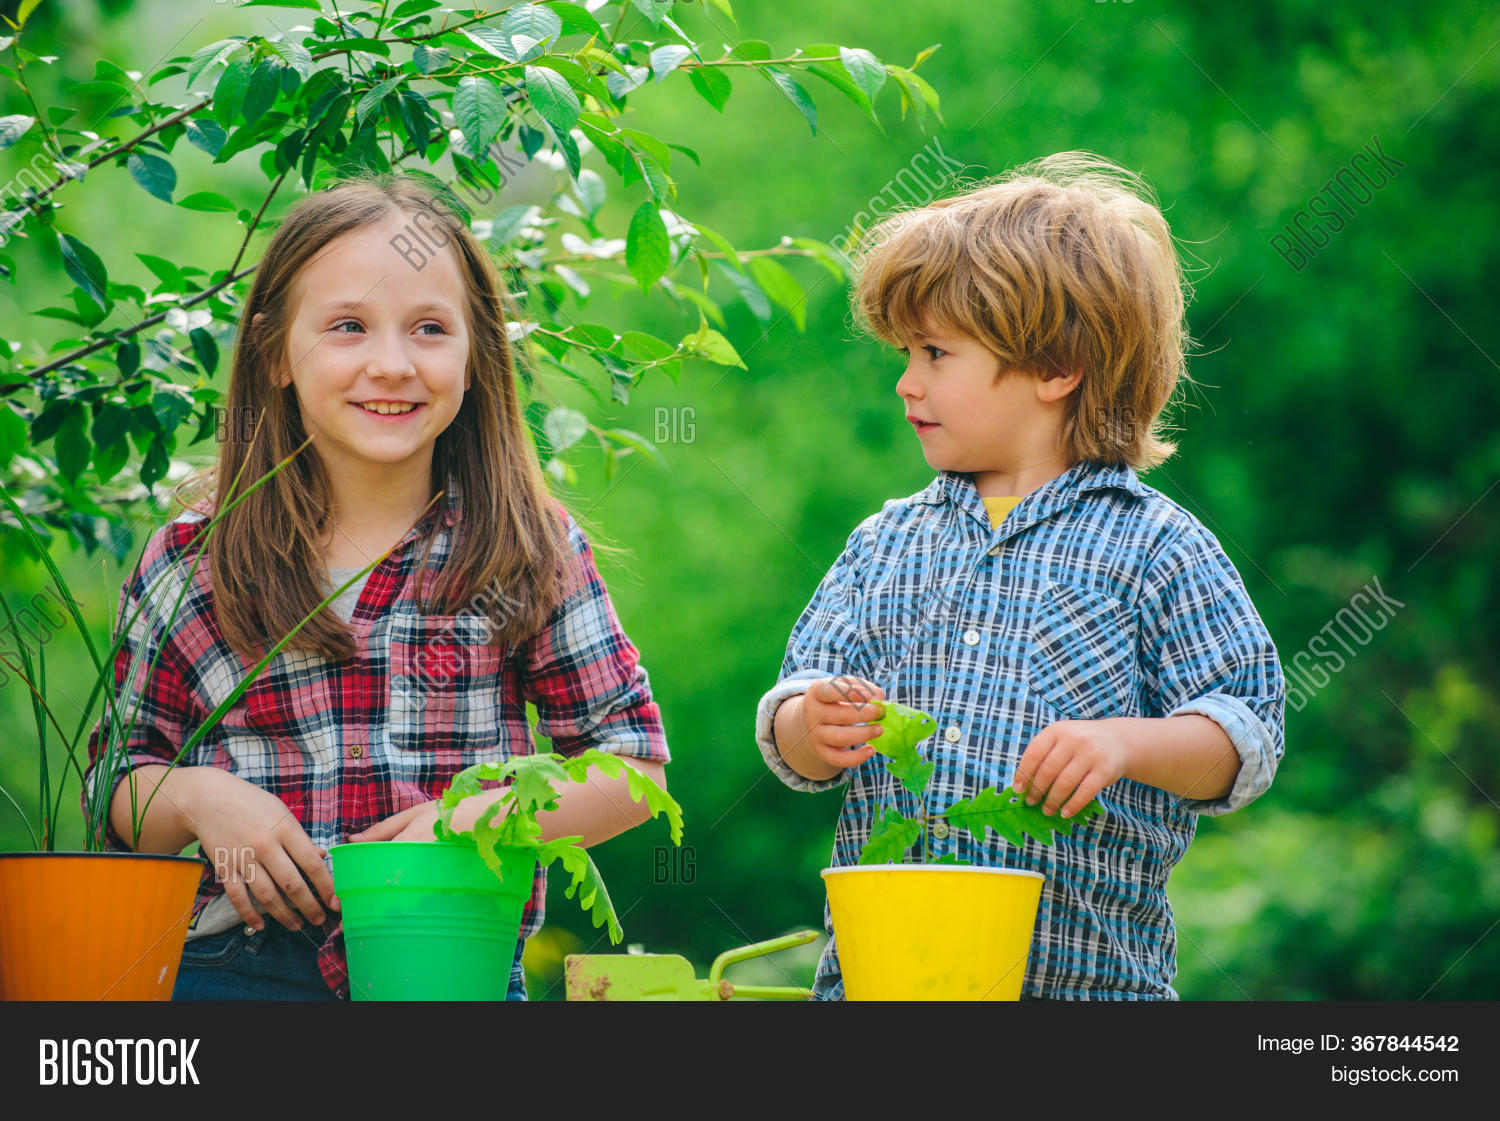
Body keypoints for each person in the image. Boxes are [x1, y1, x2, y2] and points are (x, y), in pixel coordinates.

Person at [84, 172, 669, 1001]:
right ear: (274, 353)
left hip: (450, 967)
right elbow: (116, 788)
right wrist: (199, 798)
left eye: (430, 328)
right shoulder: (192, 558)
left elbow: (633, 767)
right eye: (348, 327)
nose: (391, 364)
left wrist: (477, 818)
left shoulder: (524, 545)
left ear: (476, 355)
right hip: (232, 973)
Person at [755, 152, 1285, 1000]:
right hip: (884, 984)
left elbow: (1244, 736)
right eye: (905, 351)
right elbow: (793, 715)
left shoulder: (1156, 548)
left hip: (1085, 991)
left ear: (1054, 368)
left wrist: (1125, 743)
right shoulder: (884, 542)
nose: (906, 381)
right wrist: (807, 724)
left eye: (935, 352)